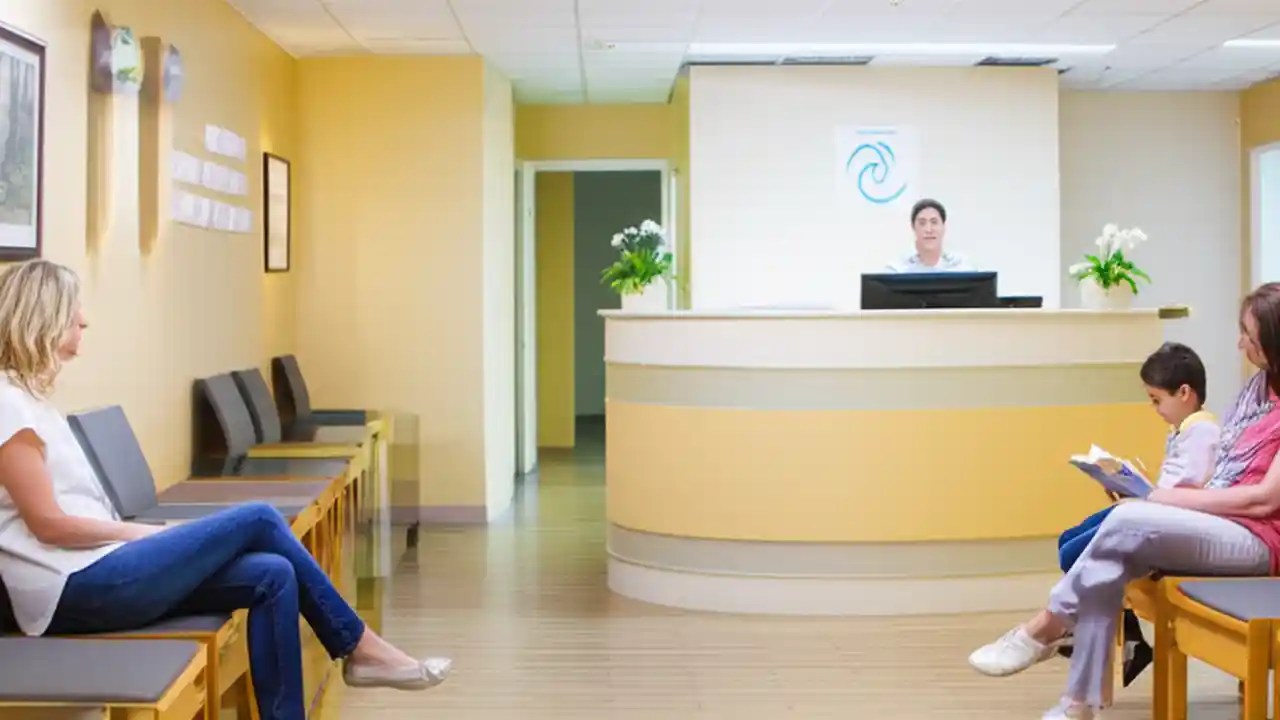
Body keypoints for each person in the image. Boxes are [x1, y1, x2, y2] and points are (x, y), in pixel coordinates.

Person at [0, 260, 451, 720]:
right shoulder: (9, 406)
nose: (84, 322)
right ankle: (361, 648)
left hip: (100, 568)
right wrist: (143, 534)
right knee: (257, 517)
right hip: (73, 588)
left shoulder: (29, 400)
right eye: (74, 313)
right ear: (42, 318)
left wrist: (143, 536)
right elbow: (49, 525)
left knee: (272, 574)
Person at [968, 281, 1280, 720]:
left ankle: (1044, 627)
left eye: (1248, 333)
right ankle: (1078, 705)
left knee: (1126, 520)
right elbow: (1224, 472)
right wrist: (1160, 497)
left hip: (1259, 541)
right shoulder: (1255, 392)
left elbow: (1264, 501)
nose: (1240, 342)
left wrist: (1162, 499)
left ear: (1272, 338)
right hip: (1224, 521)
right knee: (1111, 561)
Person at [1054, 342, 1220, 685]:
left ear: (1184, 392)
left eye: (1157, 399)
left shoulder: (1204, 430)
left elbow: (1192, 490)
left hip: (1173, 520)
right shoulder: (1184, 428)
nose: (1154, 408)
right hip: (1156, 510)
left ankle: (1083, 626)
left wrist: (1143, 496)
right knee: (1068, 540)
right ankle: (1119, 632)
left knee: (1074, 550)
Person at [885, 198, 971, 272]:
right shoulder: (898, 270)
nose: (928, 230)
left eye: (934, 222)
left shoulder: (961, 268)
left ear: (943, 227)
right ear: (913, 228)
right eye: (922, 223)